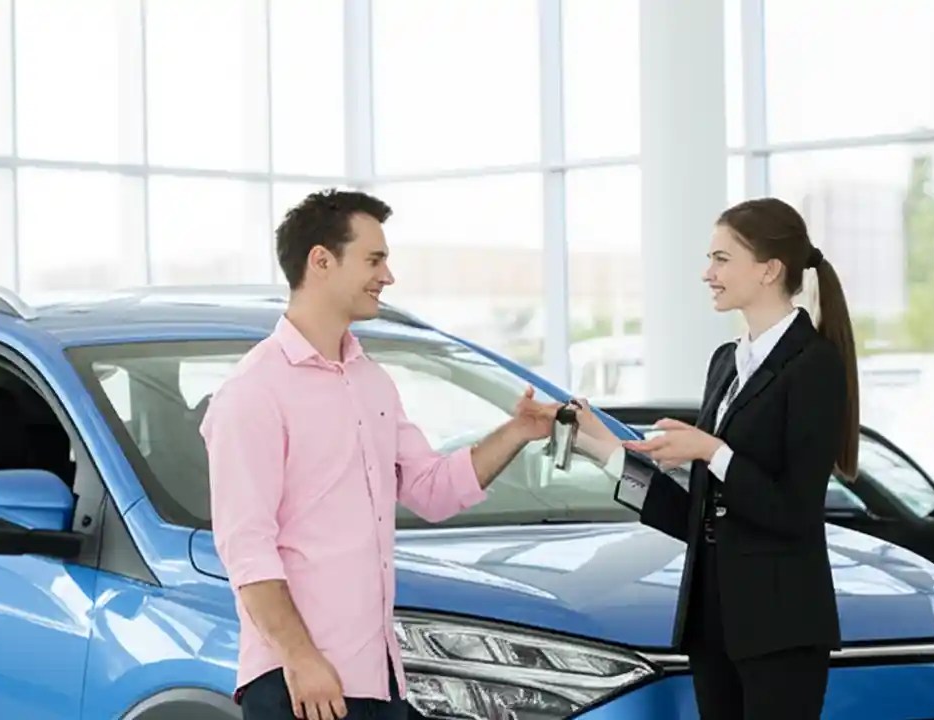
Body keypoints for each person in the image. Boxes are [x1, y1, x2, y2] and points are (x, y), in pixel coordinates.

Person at [201, 189, 561, 720]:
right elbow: (246, 549)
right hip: (300, 682)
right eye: (374, 259)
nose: (387, 276)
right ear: (321, 261)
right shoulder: (254, 391)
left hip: (376, 675)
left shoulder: (371, 381)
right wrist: (302, 660)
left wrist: (516, 432)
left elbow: (434, 491)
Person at [573, 197, 860, 719]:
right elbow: (698, 518)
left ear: (769, 269)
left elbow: (793, 513)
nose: (708, 273)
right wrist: (606, 451)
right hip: (713, 624)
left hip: (781, 628)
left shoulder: (814, 366)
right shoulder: (725, 364)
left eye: (722, 259)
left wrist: (713, 451)